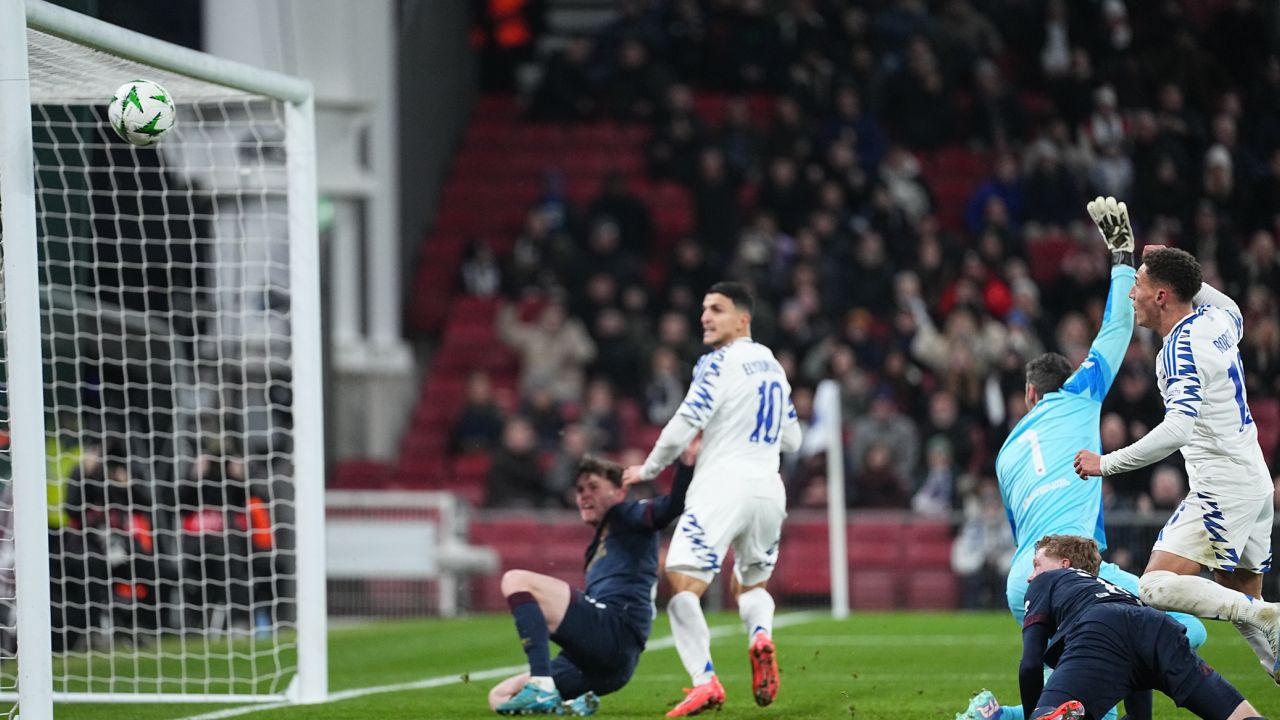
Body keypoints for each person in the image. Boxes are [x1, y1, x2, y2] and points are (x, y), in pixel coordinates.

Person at [957, 197, 1206, 720]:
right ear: (1058, 385)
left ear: (1028, 395)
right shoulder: (1079, 395)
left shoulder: (1005, 454)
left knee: (1082, 703)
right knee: (1187, 629)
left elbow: (1026, 528)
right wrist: (1120, 260)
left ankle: (993, 715)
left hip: (1023, 579)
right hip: (1073, 573)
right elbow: (1114, 332)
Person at [1073, 244, 1280, 681]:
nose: (1133, 295)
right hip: (1254, 483)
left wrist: (1105, 463)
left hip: (1222, 488)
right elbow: (1231, 306)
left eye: (1140, 285)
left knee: (1154, 585)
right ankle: (1265, 619)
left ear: (1162, 297)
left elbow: (1177, 430)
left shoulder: (1176, 350)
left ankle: (1266, 612)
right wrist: (1177, 263)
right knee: (1259, 628)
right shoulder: (1217, 321)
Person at [622, 281, 801, 716]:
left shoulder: (717, 363)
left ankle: (705, 682)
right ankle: (760, 636)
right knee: (751, 583)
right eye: (703, 309)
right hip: (768, 491)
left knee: (683, 584)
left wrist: (646, 470)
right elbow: (793, 440)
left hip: (722, 486)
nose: (705, 317)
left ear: (743, 319)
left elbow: (685, 421)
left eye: (716, 309)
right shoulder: (773, 365)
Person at [487, 448, 694, 717]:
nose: (584, 494)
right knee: (500, 696)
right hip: (603, 667)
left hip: (614, 631)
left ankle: (541, 684)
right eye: (580, 489)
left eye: (594, 487)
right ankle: (567, 708)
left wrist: (686, 462)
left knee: (516, 580)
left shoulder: (628, 514)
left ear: (619, 492)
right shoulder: (600, 542)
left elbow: (673, 505)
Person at [1018, 535, 1264, 720]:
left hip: (1099, 629)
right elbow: (1138, 705)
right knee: (1238, 714)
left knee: (1047, 713)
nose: (1031, 575)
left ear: (1064, 565)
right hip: (1157, 624)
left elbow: (1030, 665)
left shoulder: (1047, 580)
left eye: (1037, 564)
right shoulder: (1117, 591)